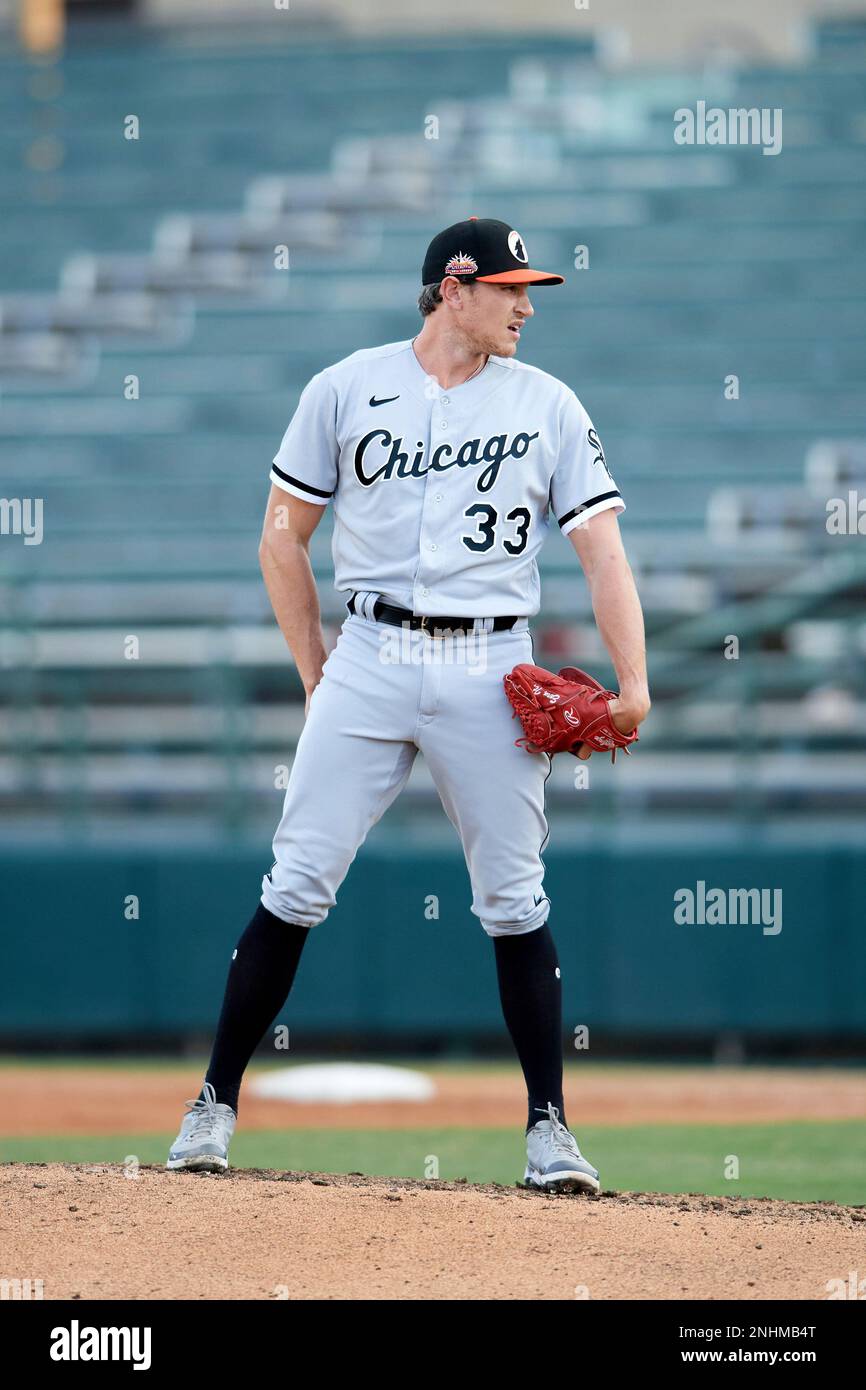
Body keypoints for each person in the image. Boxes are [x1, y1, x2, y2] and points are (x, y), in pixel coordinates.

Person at [167, 217, 650, 1192]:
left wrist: (631, 681)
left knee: (513, 897)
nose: (525, 305)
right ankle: (211, 1104)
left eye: (530, 290)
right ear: (452, 287)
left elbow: (599, 547)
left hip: (490, 663)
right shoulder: (344, 387)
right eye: (510, 287)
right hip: (370, 651)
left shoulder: (547, 404)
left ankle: (548, 1129)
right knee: (296, 880)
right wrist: (316, 672)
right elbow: (280, 536)